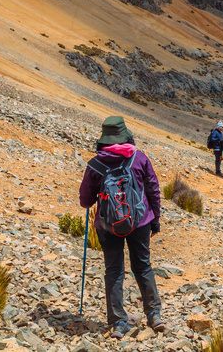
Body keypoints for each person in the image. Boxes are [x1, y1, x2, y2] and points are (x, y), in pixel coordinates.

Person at [79, 116, 164, 339]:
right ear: (125, 135)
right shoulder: (139, 158)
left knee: (114, 271)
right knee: (143, 265)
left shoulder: (95, 164)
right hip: (140, 221)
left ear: (104, 139)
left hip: (107, 225)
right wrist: (155, 219)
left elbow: (85, 200)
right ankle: (154, 315)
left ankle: (118, 322)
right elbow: (153, 189)